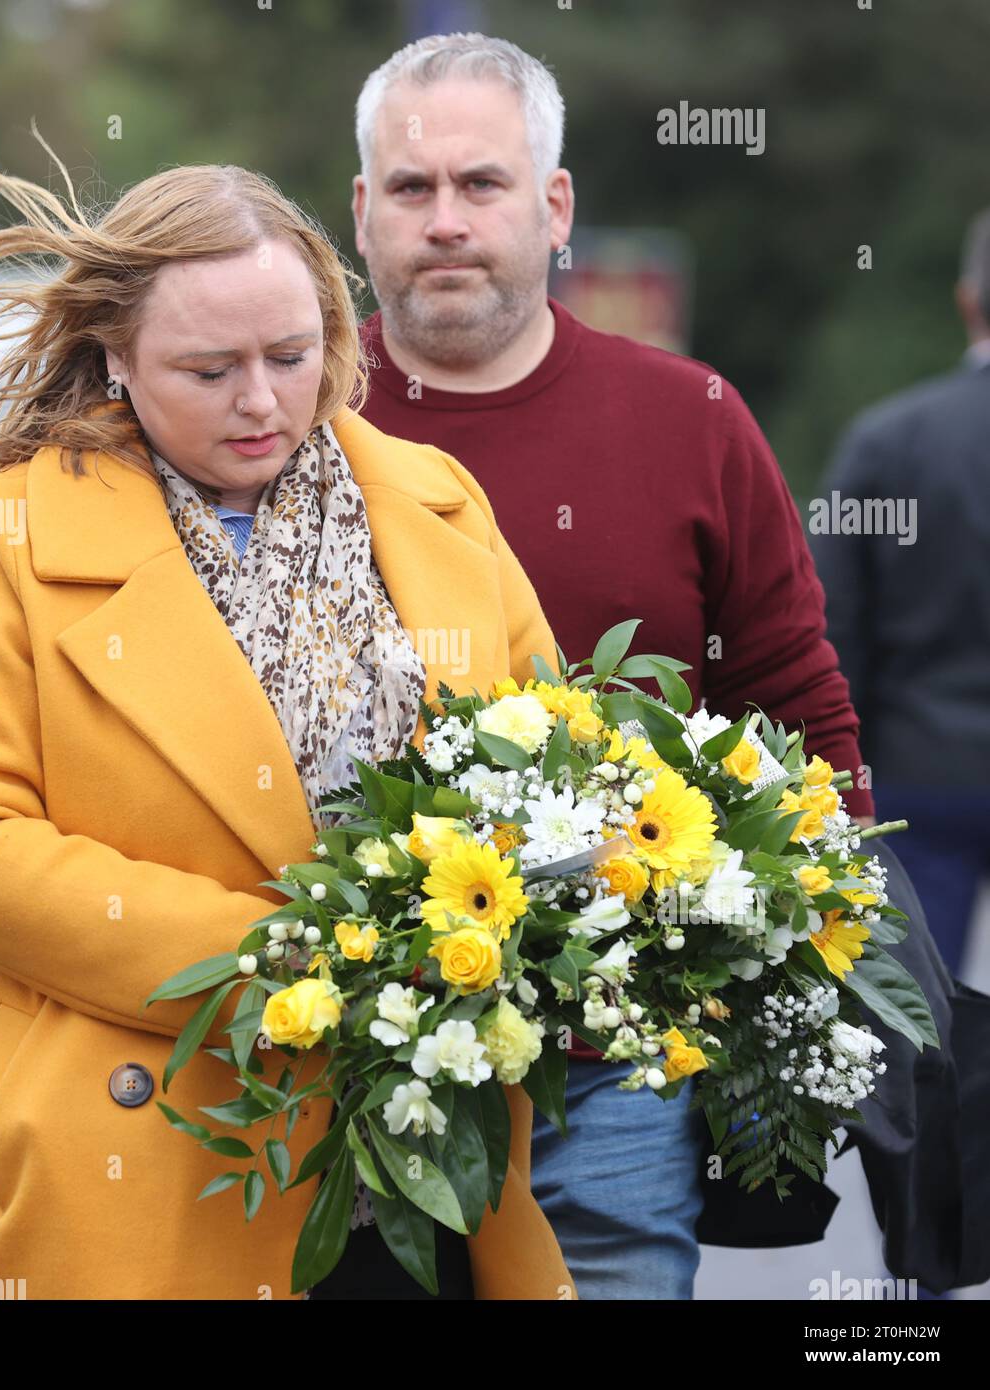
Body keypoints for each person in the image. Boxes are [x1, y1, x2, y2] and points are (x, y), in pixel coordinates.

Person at [0, 135, 574, 1300]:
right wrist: (277, 963)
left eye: (289, 356)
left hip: (408, 1156)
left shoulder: (437, 506)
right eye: (208, 370)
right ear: (115, 357)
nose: (261, 402)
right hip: (135, 1163)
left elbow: (548, 772)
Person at [349, 31, 876, 1299]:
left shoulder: (686, 419)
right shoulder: (286, 422)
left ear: (554, 204)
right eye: (410, 191)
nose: (445, 222)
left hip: (618, 1064)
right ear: (360, 213)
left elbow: (792, 696)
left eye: (480, 184)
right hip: (347, 1046)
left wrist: (828, 949)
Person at [812, 207, 990, 981]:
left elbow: (829, 628)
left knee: (917, 1015)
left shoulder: (887, 440)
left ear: (966, 300)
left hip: (922, 775)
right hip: (925, 773)